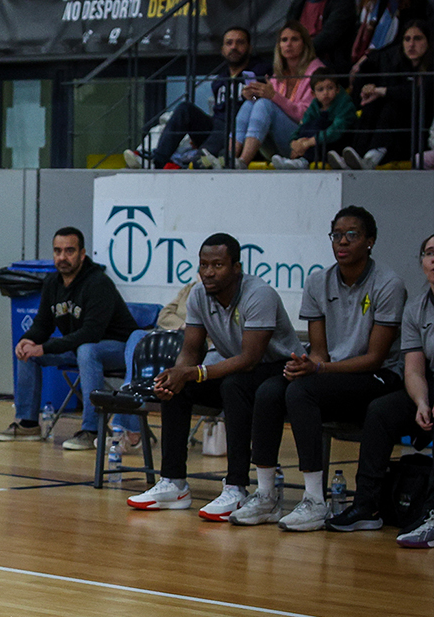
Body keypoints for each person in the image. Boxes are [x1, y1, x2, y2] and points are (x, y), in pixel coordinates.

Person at [233, 206, 407, 532]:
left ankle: (315, 500)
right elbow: (319, 350)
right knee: (270, 390)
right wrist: (307, 364)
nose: (342, 242)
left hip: (378, 375)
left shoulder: (389, 284)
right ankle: (266, 494)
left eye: (352, 234)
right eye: (336, 235)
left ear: (370, 241)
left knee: (302, 391)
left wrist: (319, 370)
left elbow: (373, 357)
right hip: (330, 371)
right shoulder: (317, 281)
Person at [125, 233, 303, 520]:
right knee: (178, 388)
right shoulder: (198, 294)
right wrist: (177, 375)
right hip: (235, 368)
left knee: (234, 386)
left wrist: (192, 372)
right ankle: (174, 483)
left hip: (279, 369)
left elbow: (250, 359)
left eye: (217, 265)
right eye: (203, 265)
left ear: (236, 268)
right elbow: (191, 349)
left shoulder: (259, 294)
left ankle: (236, 487)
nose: (208, 272)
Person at [320, 231, 434, 542]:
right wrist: (422, 401)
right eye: (429, 253)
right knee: (382, 410)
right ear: (422, 262)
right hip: (428, 383)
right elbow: (413, 368)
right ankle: (366, 507)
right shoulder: (418, 307)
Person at [0, 227, 138, 450]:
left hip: (117, 349)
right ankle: (28, 424)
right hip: (79, 346)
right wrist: (28, 340)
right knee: (28, 351)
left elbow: (91, 333)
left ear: (82, 254)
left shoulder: (98, 283)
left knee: (86, 349)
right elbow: (43, 324)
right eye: (58, 251)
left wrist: (46, 347)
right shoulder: (52, 283)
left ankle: (92, 430)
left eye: (69, 251)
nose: (62, 257)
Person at [125, 27, 270, 169]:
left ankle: (203, 157)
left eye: (240, 42)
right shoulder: (220, 79)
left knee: (199, 161)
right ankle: (156, 161)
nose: (234, 47)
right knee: (185, 109)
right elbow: (219, 113)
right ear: (222, 49)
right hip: (217, 129)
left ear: (250, 48)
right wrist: (199, 132)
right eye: (229, 43)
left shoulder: (260, 71)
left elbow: (262, 107)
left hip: (240, 133)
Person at [339, 19, 433, 170]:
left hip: (416, 134)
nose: (411, 44)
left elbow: (416, 93)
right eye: (407, 39)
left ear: (428, 42)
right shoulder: (398, 66)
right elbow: (391, 90)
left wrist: (382, 91)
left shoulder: (431, 69)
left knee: (392, 106)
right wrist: (371, 90)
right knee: (372, 105)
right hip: (393, 136)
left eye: (418, 38)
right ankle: (358, 156)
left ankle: (372, 157)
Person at [230, 21, 323, 169]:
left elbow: (305, 117)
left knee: (265, 104)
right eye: (284, 40)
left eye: (294, 39)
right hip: (273, 142)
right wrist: (252, 96)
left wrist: (273, 96)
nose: (288, 44)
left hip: (301, 142)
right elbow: (265, 105)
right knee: (251, 103)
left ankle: (243, 161)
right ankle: (230, 157)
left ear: (305, 44)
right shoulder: (279, 74)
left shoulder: (316, 72)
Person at [289, 0, 358, 72]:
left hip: (330, 67)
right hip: (300, 61)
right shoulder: (297, 5)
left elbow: (329, 36)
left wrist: (299, 52)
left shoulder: (344, 1)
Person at [274, 73, 356, 170]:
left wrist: (308, 143)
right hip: (318, 145)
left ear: (337, 89)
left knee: (319, 123)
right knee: (309, 126)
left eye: (330, 88)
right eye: (320, 90)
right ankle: (299, 159)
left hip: (340, 144)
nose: (325, 92)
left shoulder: (345, 104)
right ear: (313, 94)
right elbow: (303, 125)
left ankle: (303, 161)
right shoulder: (315, 105)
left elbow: (335, 131)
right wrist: (295, 143)